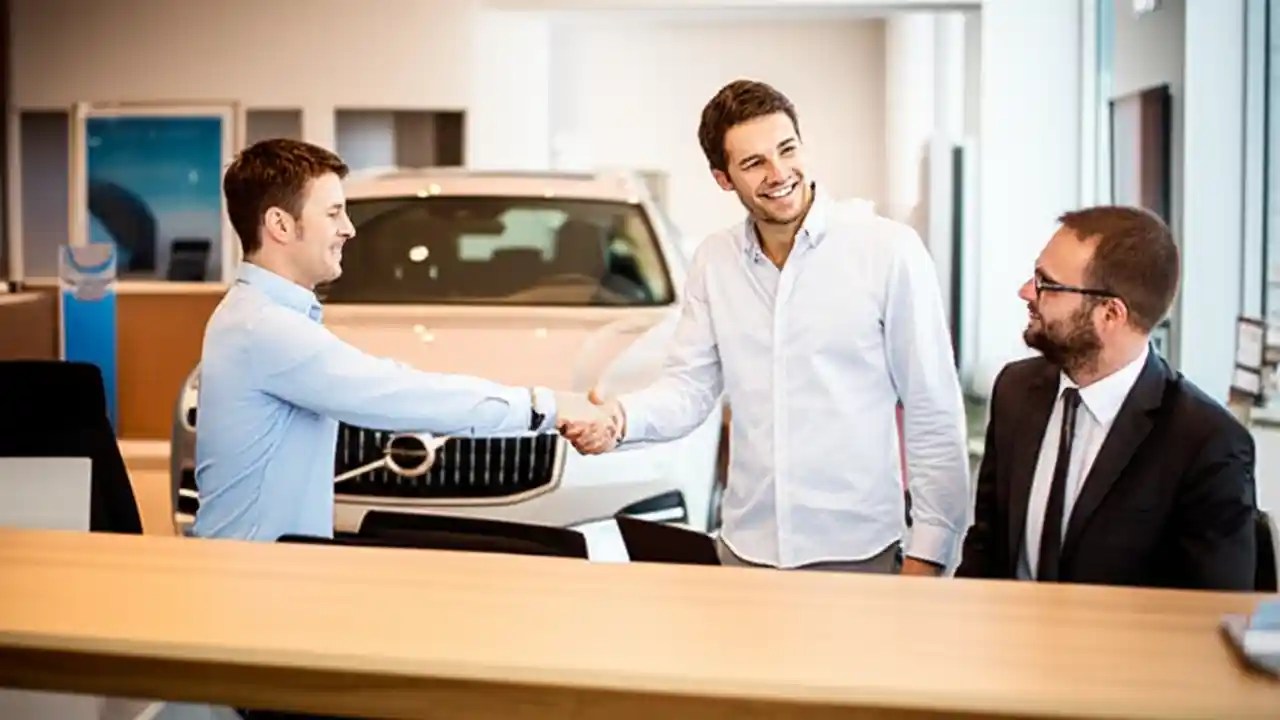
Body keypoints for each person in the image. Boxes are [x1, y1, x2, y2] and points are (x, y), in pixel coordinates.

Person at [564, 79, 971, 575]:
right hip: (745, 549)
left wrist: (930, 554)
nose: (779, 174)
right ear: (723, 178)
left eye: (787, 149)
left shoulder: (887, 251)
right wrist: (620, 419)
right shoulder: (715, 260)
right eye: (754, 162)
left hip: (858, 552)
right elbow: (690, 388)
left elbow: (933, 408)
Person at [193, 138, 609, 543]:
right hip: (257, 572)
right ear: (280, 225)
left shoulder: (258, 316)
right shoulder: (265, 329)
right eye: (334, 213)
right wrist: (543, 407)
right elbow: (400, 394)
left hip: (272, 563)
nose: (348, 229)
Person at [956, 205, 1257, 590]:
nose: (1026, 292)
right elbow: (985, 550)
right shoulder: (1014, 390)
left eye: (1047, 284)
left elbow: (1214, 610)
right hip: (1007, 626)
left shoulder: (1207, 443)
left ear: (1110, 315)